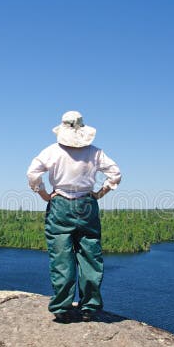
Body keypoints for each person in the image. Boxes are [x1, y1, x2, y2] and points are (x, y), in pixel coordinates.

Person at [26, 111, 122, 323]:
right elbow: (115, 173)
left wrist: (44, 195)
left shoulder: (52, 151)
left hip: (60, 203)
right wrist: (100, 193)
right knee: (90, 256)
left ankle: (62, 308)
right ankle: (89, 307)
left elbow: (32, 173)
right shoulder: (95, 152)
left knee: (62, 257)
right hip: (87, 204)